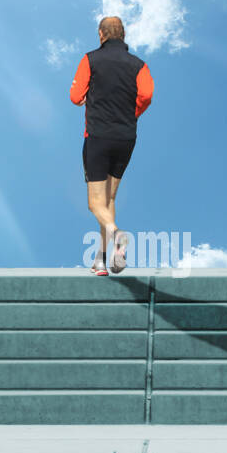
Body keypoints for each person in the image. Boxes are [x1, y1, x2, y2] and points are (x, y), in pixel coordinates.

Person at [70, 16, 153, 275]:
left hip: (97, 136)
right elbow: (146, 95)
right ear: (124, 35)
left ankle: (118, 235)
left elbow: (75, 97)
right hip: (126, 138)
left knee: (95, 204)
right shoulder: (140, 65)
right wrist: (132, 112)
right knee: (109, 199)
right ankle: (102, 260)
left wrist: (87, 98)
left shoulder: (90, 59)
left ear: (101, 34)